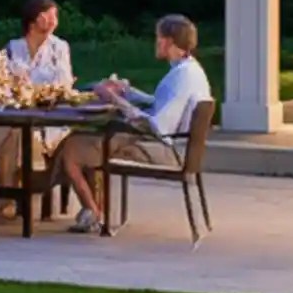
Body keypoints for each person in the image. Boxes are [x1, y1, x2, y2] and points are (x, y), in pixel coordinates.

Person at [53, 14, 212, 233]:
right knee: (86, 140)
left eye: (158, 38)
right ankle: (93, 209)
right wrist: (127, 91)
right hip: (176, 144)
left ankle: (94, 213)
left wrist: (115, 101)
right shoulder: (188, 71)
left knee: (72, 148)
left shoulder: (180, 77)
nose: (156, 43)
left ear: (168, 41)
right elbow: (159, 104)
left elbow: (155, 125)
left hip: (165, 149)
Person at [0, 0, 75, 219]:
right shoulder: (13, 48)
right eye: (46, 15)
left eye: (54, 16)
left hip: (50, 115)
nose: (52, 21)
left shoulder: (59, 47)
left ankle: (8, 198)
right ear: (32, 19)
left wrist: (30, 81)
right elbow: (1, 80)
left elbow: (64, 82)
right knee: (13, 135)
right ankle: (9, 198)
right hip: (18, 112)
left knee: (17, 137)